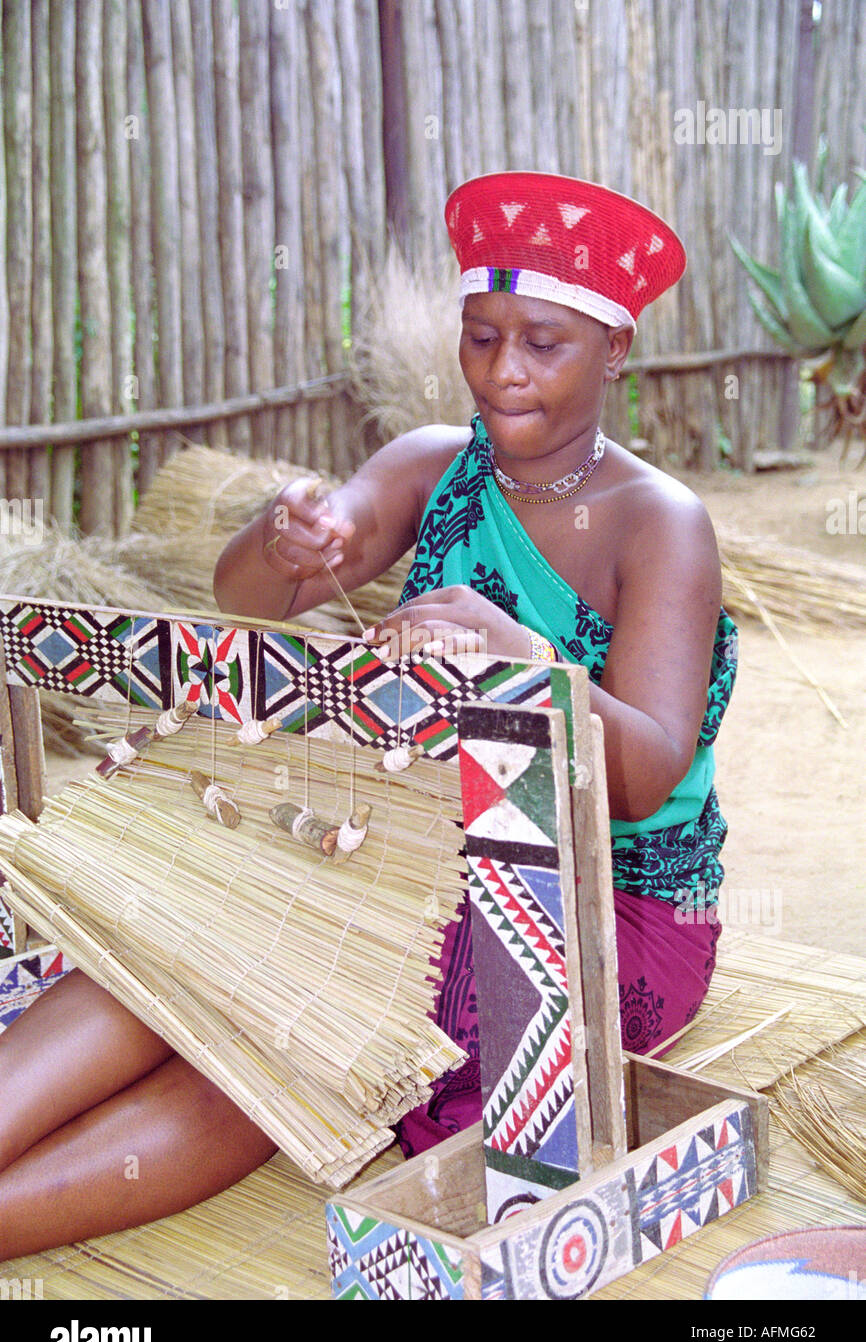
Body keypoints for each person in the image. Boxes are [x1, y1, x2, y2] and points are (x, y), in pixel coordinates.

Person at [0, 172, 734, 1261]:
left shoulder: (658, 526)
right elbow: (252, 598)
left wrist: (527, 662)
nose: (501, 371)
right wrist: (284, 536)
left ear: (614, 351)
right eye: (480, 336)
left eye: (543, 343)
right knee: (214, 930)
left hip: (599, 905)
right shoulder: (435, 465)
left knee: (296, 1008)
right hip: (421, 845)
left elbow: (641, 774)